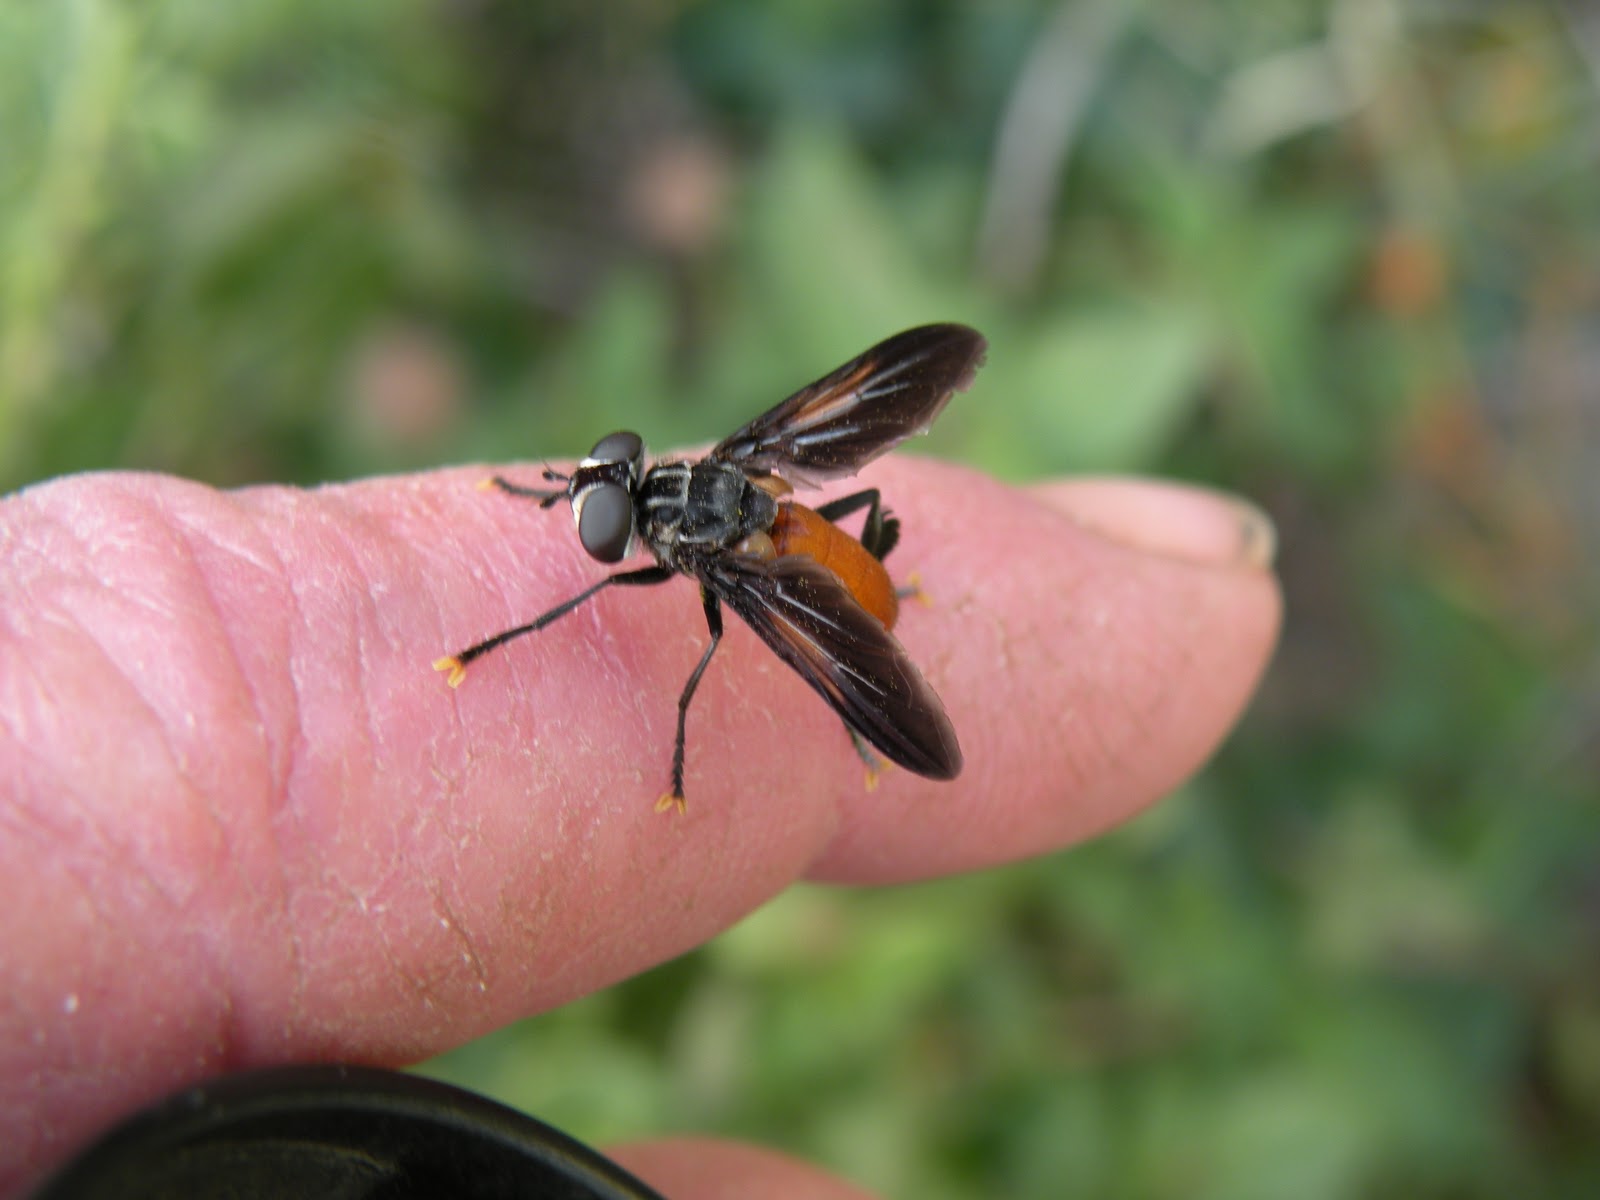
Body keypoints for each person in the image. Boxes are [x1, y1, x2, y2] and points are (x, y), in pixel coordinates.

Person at [0, 458, 1280, 1197]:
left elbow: (749, 630)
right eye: (594, 489)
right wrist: (556, 491)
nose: (590, 506)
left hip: (808, 577)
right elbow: (684, 488)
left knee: (768, 650)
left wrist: (827, 678)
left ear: (646, 524)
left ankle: (866, 654)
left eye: (599, 506)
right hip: (809, 535)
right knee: (841, 524)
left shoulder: (705, 567)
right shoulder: (716, 468)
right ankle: (892, 591)